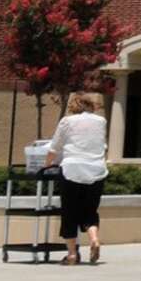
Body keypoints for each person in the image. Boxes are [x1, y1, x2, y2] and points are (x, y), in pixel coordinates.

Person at [50, 90, 109, 266]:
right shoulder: (101, 121)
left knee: (69, 212)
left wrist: (46, 165)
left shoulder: (67, 121)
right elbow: (102, 146)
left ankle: (72, 255)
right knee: (90, 211)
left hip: (72, 170)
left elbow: (54, 148)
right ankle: (94, 239)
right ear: (91, 105)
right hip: (97, 171)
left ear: (72, 106)